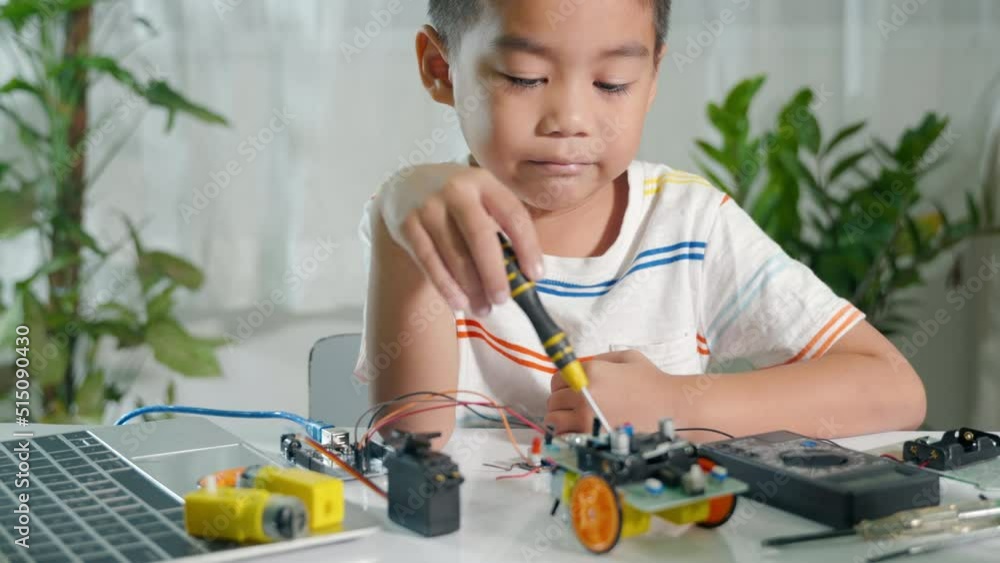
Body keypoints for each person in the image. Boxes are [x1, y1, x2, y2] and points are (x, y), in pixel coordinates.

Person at [356, 0, 926, 446]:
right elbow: (413, 439)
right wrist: (395, 214)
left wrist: (680, 406)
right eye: (525, 77)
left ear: (652, 78)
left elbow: (894, 389)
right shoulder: (422, 222)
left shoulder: (690, 225)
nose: (571, 120)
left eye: (612, 84)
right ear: (441, 69)